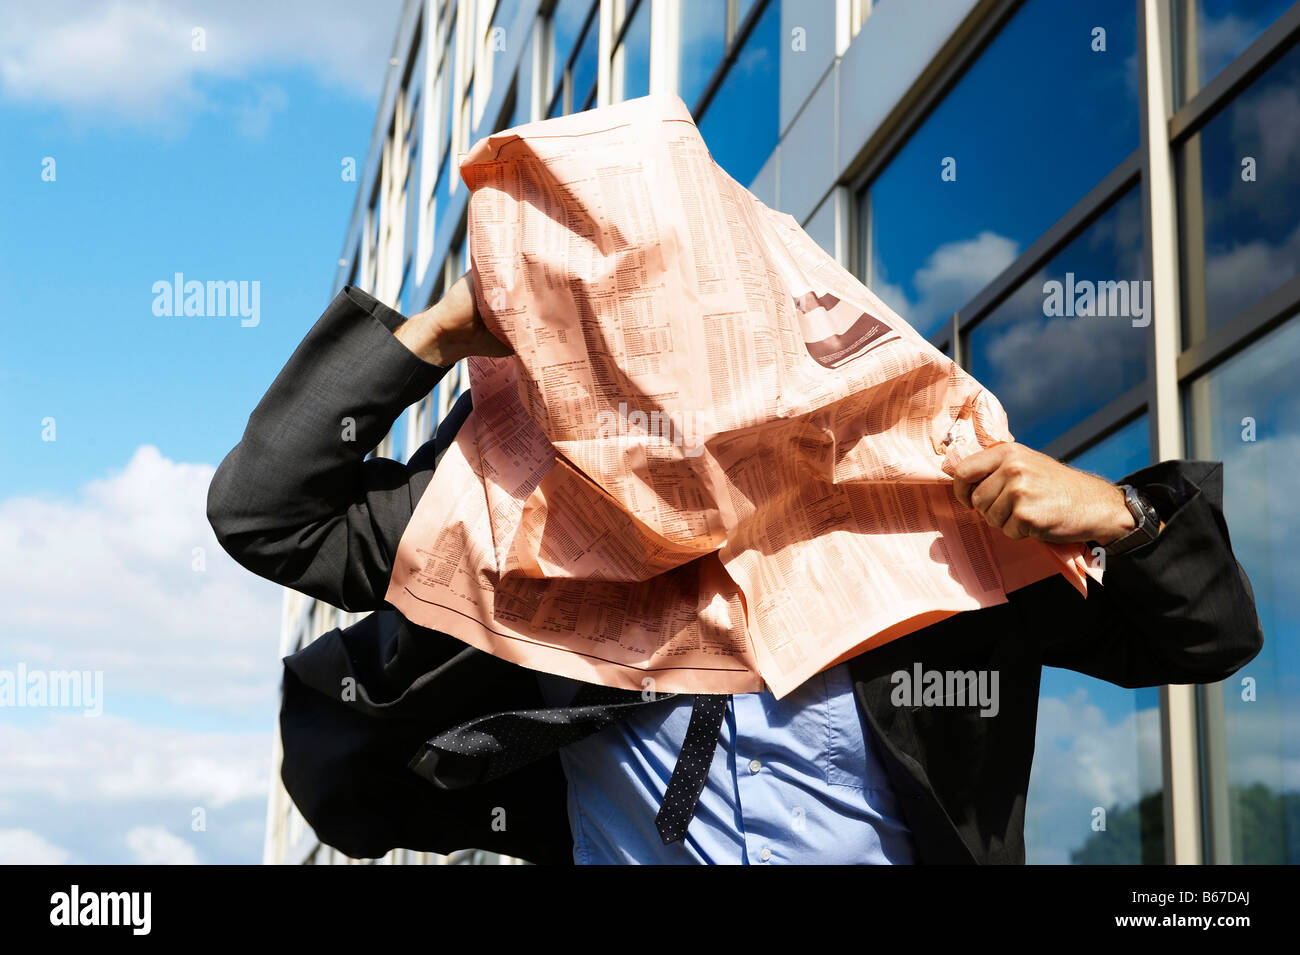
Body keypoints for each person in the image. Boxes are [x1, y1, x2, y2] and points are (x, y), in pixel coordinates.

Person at [207, 275, 1263, 865]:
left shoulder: (928, 538)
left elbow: (1206, 639)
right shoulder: (533, 523)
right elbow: (268, 512)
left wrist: (1120, 514)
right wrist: (437, 332)